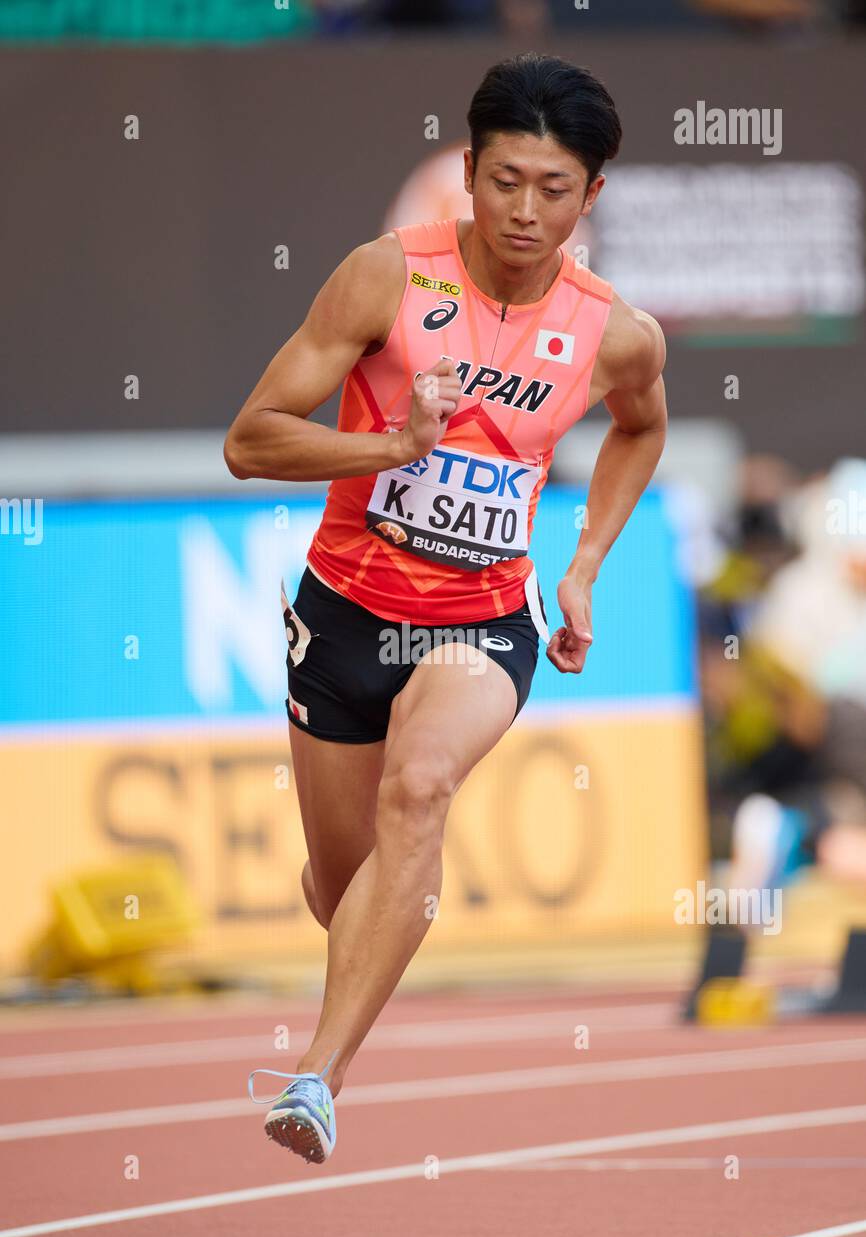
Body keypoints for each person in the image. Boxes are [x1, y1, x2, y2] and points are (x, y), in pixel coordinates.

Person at [225, 52, 667, 1164]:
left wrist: (582, 564)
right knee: (342, 894)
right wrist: (391, 444)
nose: (524, 211)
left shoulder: (616, 332)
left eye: (553, 189)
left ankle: (315, 1079)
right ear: (466, 172)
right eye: (504, 180)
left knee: (419, 789)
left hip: (480, 620)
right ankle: (362, 891)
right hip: (342, 615)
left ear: (592, 195)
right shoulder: (383, 278)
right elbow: (249, 440)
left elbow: (639, 426)